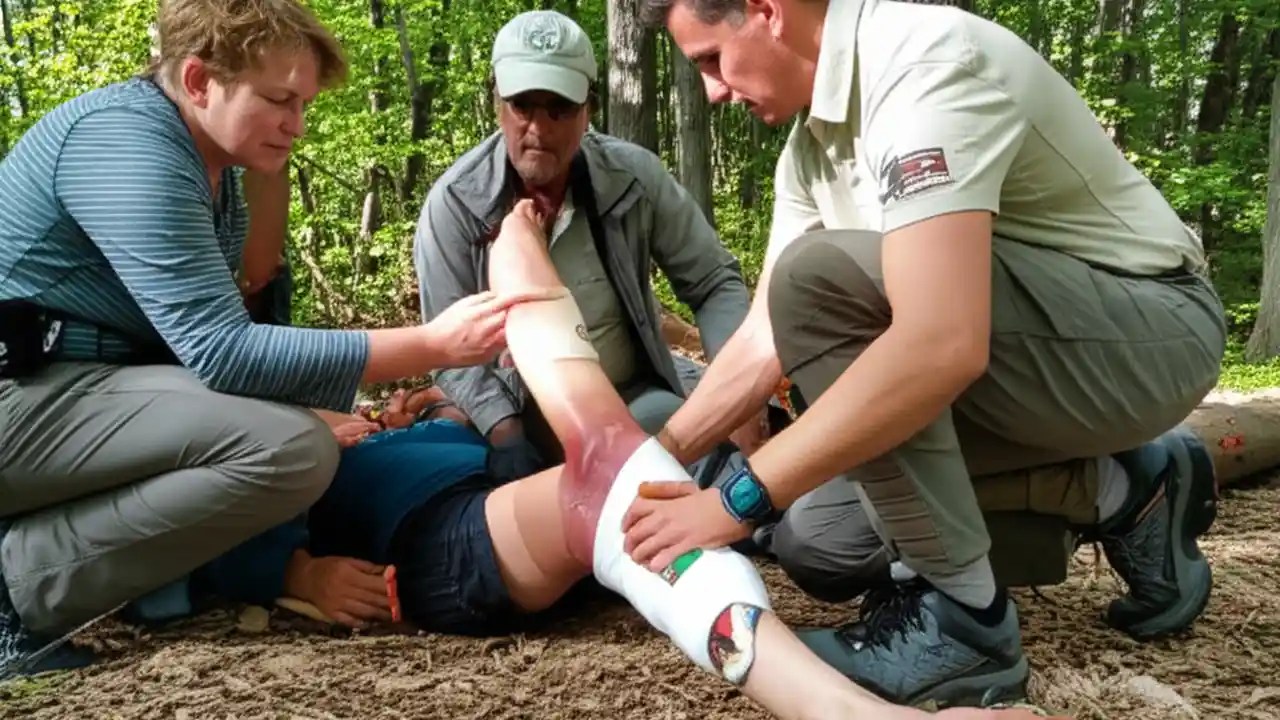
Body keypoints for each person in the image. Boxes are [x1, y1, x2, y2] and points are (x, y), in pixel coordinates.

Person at [617, 0, 1227, 709]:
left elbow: (939, 343)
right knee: (822, 539)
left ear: (767, 12)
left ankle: (967, 627)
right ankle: (1126, 488)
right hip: (1036, 364)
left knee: (815, 279)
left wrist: (735, 498)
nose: (713, 91)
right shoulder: (812, 151)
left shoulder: (923, 65)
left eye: (711, 61)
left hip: (1153, 333)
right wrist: (659, 456)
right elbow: (762, 341)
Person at [282, 199, 1070, 720]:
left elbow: (719, 290)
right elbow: (201, 533)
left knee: (629, 475)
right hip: (444, 545)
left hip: (507, 513)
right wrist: (297, 573)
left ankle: (1095, 485)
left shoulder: (409, 424)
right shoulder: (291, 454)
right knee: (608, 465)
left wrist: (439, 408)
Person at [0, 0, 532, 679]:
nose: (297, 124)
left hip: (64, 391)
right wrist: (436, 344)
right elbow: (222, 352)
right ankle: (16, 585)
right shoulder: (124, 142)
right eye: (279, 99)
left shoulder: (206, 162)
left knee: (294, 436)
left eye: (303, 103)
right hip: (23, 392)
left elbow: (209, 338)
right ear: (198, 81)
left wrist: (312, 401)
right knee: (289, 451)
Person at [412, 10, 769, 485]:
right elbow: (444, 348)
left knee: (707, 465)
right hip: (512, 417)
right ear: (496, 102)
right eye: (522, 105)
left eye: (557, 108)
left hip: (630, 401)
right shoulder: (456, 205)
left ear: (588, 110)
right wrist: (504, 429)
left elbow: (713, 282)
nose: (537, 128)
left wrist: (739, 390)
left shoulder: (632, 178)